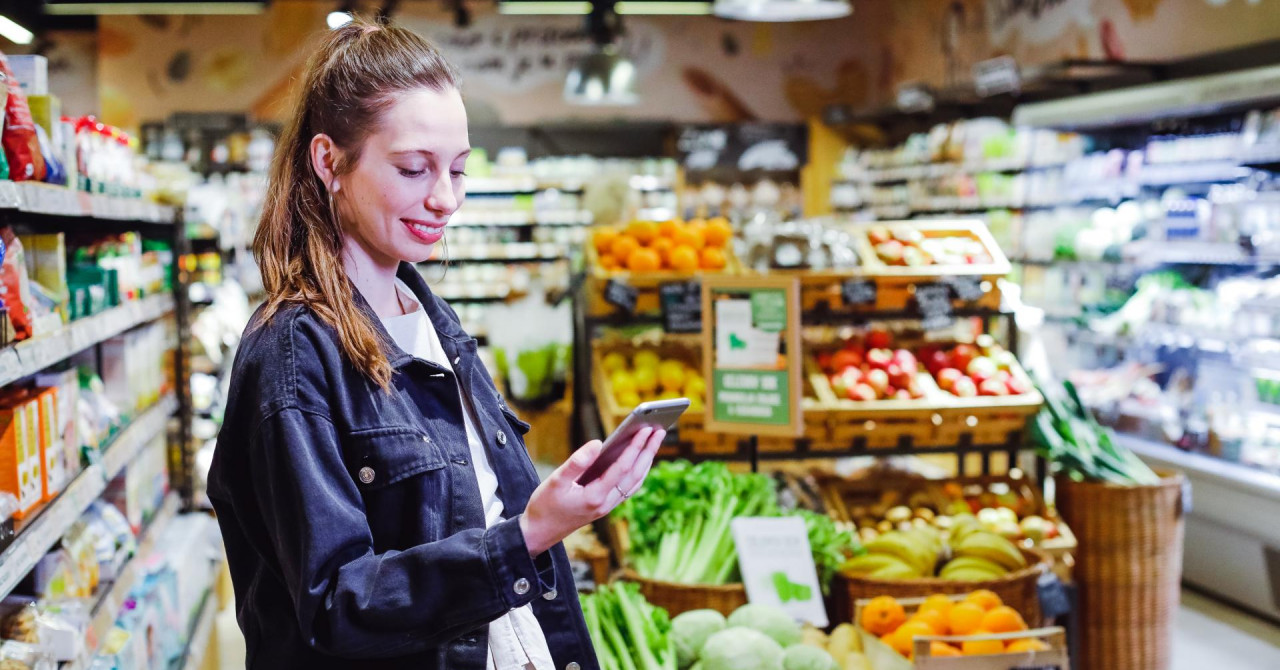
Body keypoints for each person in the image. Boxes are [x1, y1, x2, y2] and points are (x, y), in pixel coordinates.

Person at [207, 18, 664, 670]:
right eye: (415, 169)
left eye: (458, 169)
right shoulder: (293, 355)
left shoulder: (429, 315)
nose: (446, 199)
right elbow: (337, 605)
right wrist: (531, 533)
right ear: (328, 160)